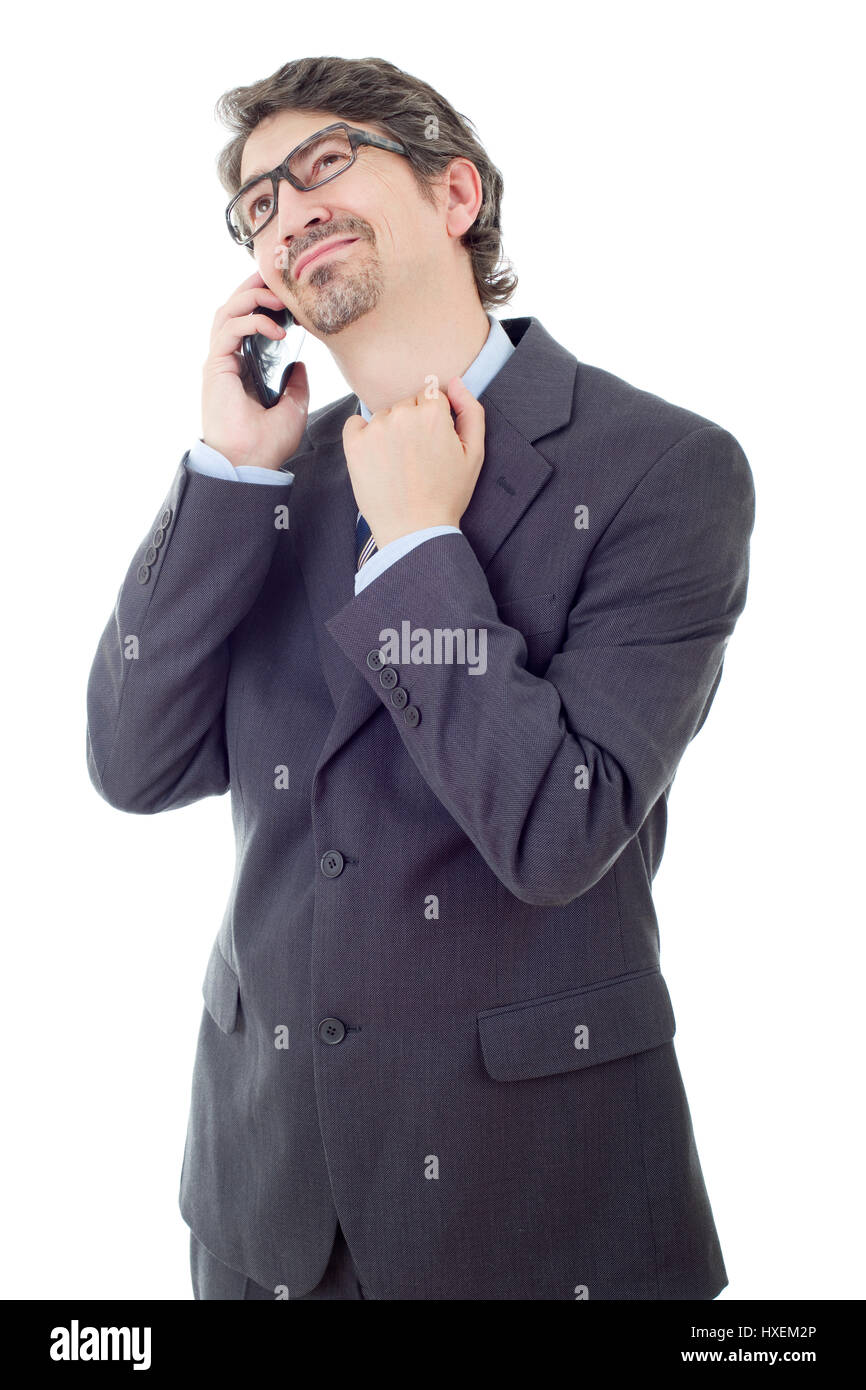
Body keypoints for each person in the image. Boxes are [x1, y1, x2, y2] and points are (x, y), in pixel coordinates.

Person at [85, 55, 755, 1301]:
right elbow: (134, 764)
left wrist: (417, 555)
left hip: (537, 1212)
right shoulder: (276, 483)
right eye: (255, 204)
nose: (285, 208)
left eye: (325, 161)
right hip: (264, 1201)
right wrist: (230, 474)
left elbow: (559, 830)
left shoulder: (665, 470)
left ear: (456, 195)